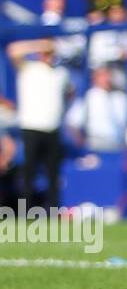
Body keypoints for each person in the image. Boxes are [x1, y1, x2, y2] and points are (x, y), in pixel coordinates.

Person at [6, 38, 71, 209]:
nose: (48, 55)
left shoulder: (61, 73)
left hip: (53, 128)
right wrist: (39, 44)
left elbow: (70, 93)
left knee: (53, 174)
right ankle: (25, 211)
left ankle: (53, 210)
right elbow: (13, 50)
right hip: (32, 128)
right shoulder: (29, 69)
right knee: (29, 173)